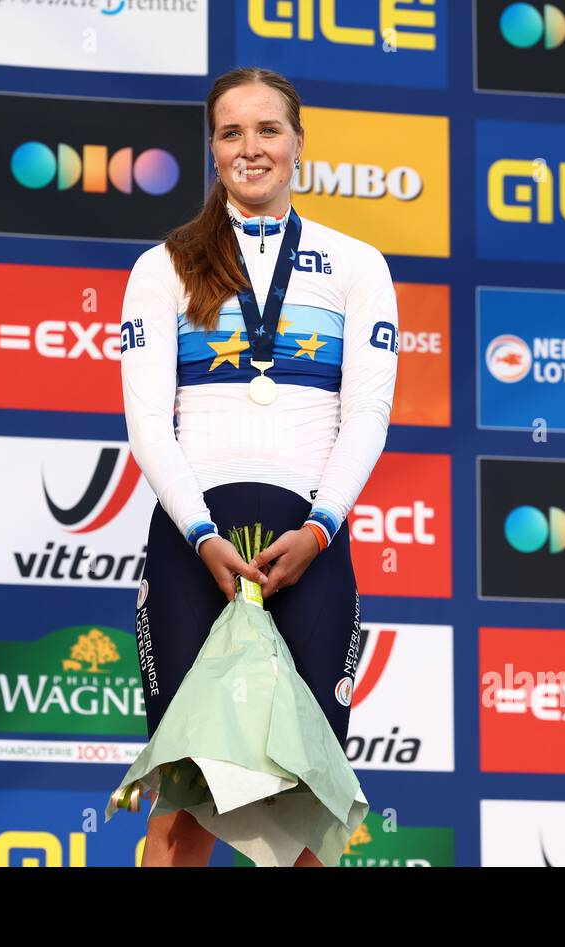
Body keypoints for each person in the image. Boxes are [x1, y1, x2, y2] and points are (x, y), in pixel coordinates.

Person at [119, 67, 399, 867]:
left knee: (308, 797)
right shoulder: (162, 266)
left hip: (311, 544)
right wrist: (203, 535)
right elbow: (149, 424)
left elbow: (367, 416)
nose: (251, 148)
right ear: (213, 149)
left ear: (299, 143)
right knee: (185, 799)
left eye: (268, 129)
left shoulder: (358, 265)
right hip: (192, 546)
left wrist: (319, 528)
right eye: (232, 132)